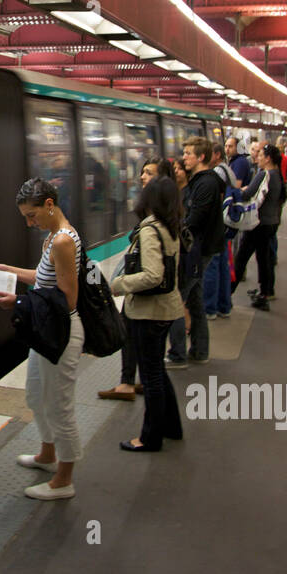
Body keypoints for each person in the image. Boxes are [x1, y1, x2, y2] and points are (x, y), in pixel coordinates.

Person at [0, 178, 84, 500]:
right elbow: (42, 279)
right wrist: (8, 272)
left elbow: (68, 298)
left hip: (62, 333)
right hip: (46, 330)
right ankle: (47, 454)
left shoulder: (63, 242)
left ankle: (64, 479)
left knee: (59, 406)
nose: (30, 223)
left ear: (49, 204)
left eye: (32, 216)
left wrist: (16, 302)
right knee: (35, 395)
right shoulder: (52, 238)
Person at [111, 176, 185, 451]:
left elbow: (153, 275)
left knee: (151, 375)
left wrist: (120, 285)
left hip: (149, 312)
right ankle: (172, 426)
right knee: (158, 371)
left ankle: (150, 437)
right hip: (166, 308)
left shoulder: (150, 230)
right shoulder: (170, 227)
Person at [100, 157, 164, 400]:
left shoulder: (154, 223)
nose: (142, 177)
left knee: (153, 365)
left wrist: (120, 284)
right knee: (141, 345)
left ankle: (154, 429)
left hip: (148, 296)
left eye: (149, 173)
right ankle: (128, 382)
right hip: (149, 296)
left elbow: (153, 274)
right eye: (143, 172)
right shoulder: (160, 213)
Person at [169, 137, 225, 367]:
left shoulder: (206, 183)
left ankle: (178, 354)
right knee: (194, 301)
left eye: (188, 153)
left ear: (201, 157)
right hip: (200, 248)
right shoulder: (203, 181)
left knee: (175, 301)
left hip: (197, 250)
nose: (185, 158)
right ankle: (200, 351)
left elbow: (195, 219)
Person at [231, 144, 284, 310]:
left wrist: (234, 192)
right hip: (272, 222)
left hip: (258, 224)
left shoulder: (264, 174)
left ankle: (227, 294)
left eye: (260, 155)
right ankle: (266, 292)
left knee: (241, 258)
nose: (257, 158)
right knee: (264, 258)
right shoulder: (278, 175)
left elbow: (247, 194)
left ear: (268, 158)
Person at [203, 144, 238, 321]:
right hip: (223, 225)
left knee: (212, 265)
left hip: (215, 226)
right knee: (223, 265)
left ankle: (209, 307)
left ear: (216, 155)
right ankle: (224, 306)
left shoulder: (217, 173)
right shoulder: (227, 169)